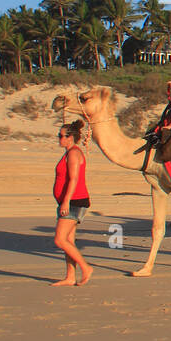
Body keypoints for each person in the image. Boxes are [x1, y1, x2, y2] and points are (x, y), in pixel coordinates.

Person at [52, 120, 93, 287]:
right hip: (69, 201)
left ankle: (86, 268)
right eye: (59, 136)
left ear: (70, 138)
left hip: (75, 201)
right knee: (69, 241)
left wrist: (66, 201)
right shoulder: (68, 152)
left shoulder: (74, 154)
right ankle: (70, 277)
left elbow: (74, 179)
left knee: (60, 240)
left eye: (61, 136)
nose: (59, 139)